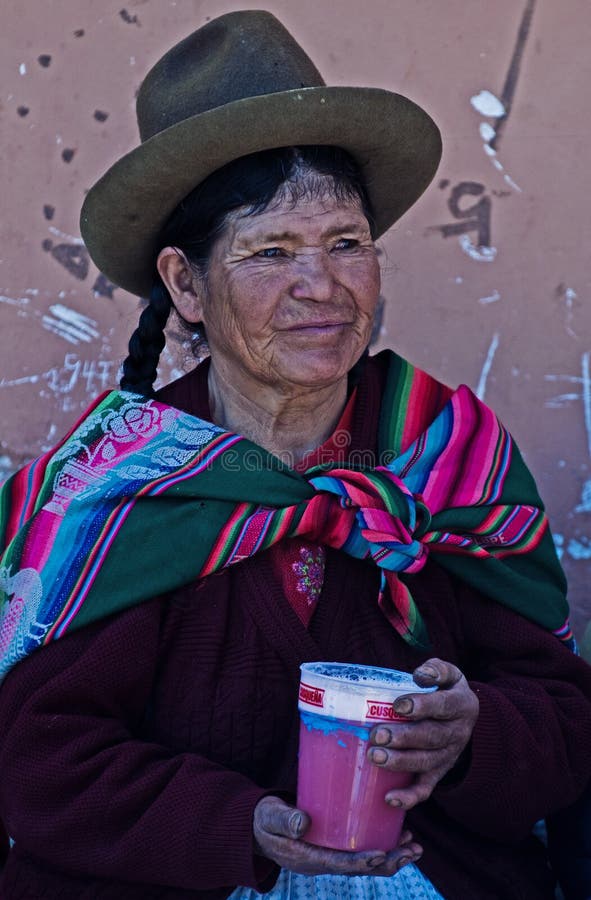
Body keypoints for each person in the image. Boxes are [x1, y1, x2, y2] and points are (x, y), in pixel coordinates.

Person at [0, 10, 590, 900]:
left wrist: (477, 731)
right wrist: (239, 827)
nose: (321, 286)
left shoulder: (447, 452)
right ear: (184, 284)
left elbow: (563, 717)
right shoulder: (116, 490)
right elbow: (42, 759)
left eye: (345, 243)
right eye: (271, 251)